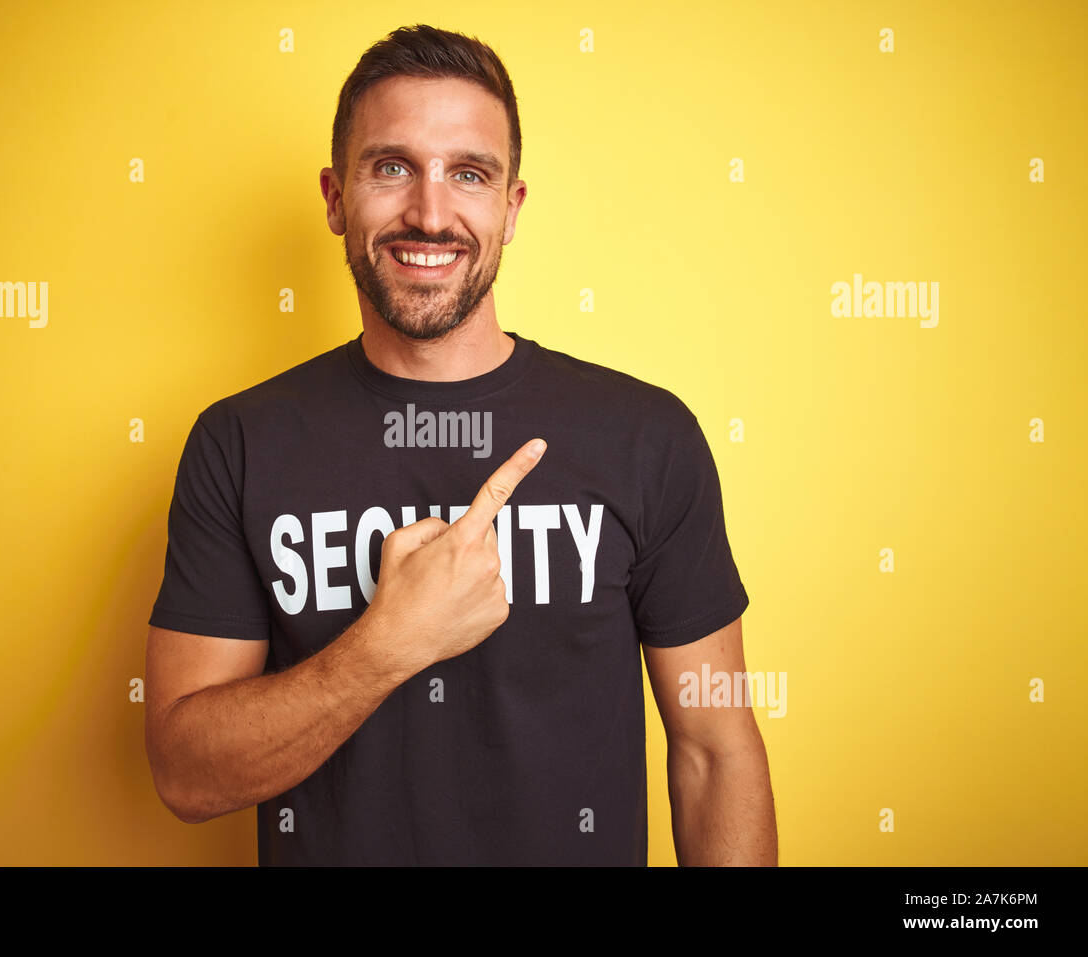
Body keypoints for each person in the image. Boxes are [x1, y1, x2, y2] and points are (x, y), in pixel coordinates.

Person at [144, 23, 777, 866]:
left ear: (511, 208)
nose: (430, 214)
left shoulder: (647, 436)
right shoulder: (239, 443)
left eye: (468, 174)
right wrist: (387, 645)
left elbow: (715, 750)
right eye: (392, 167)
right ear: (336, 198)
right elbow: (186, 775)